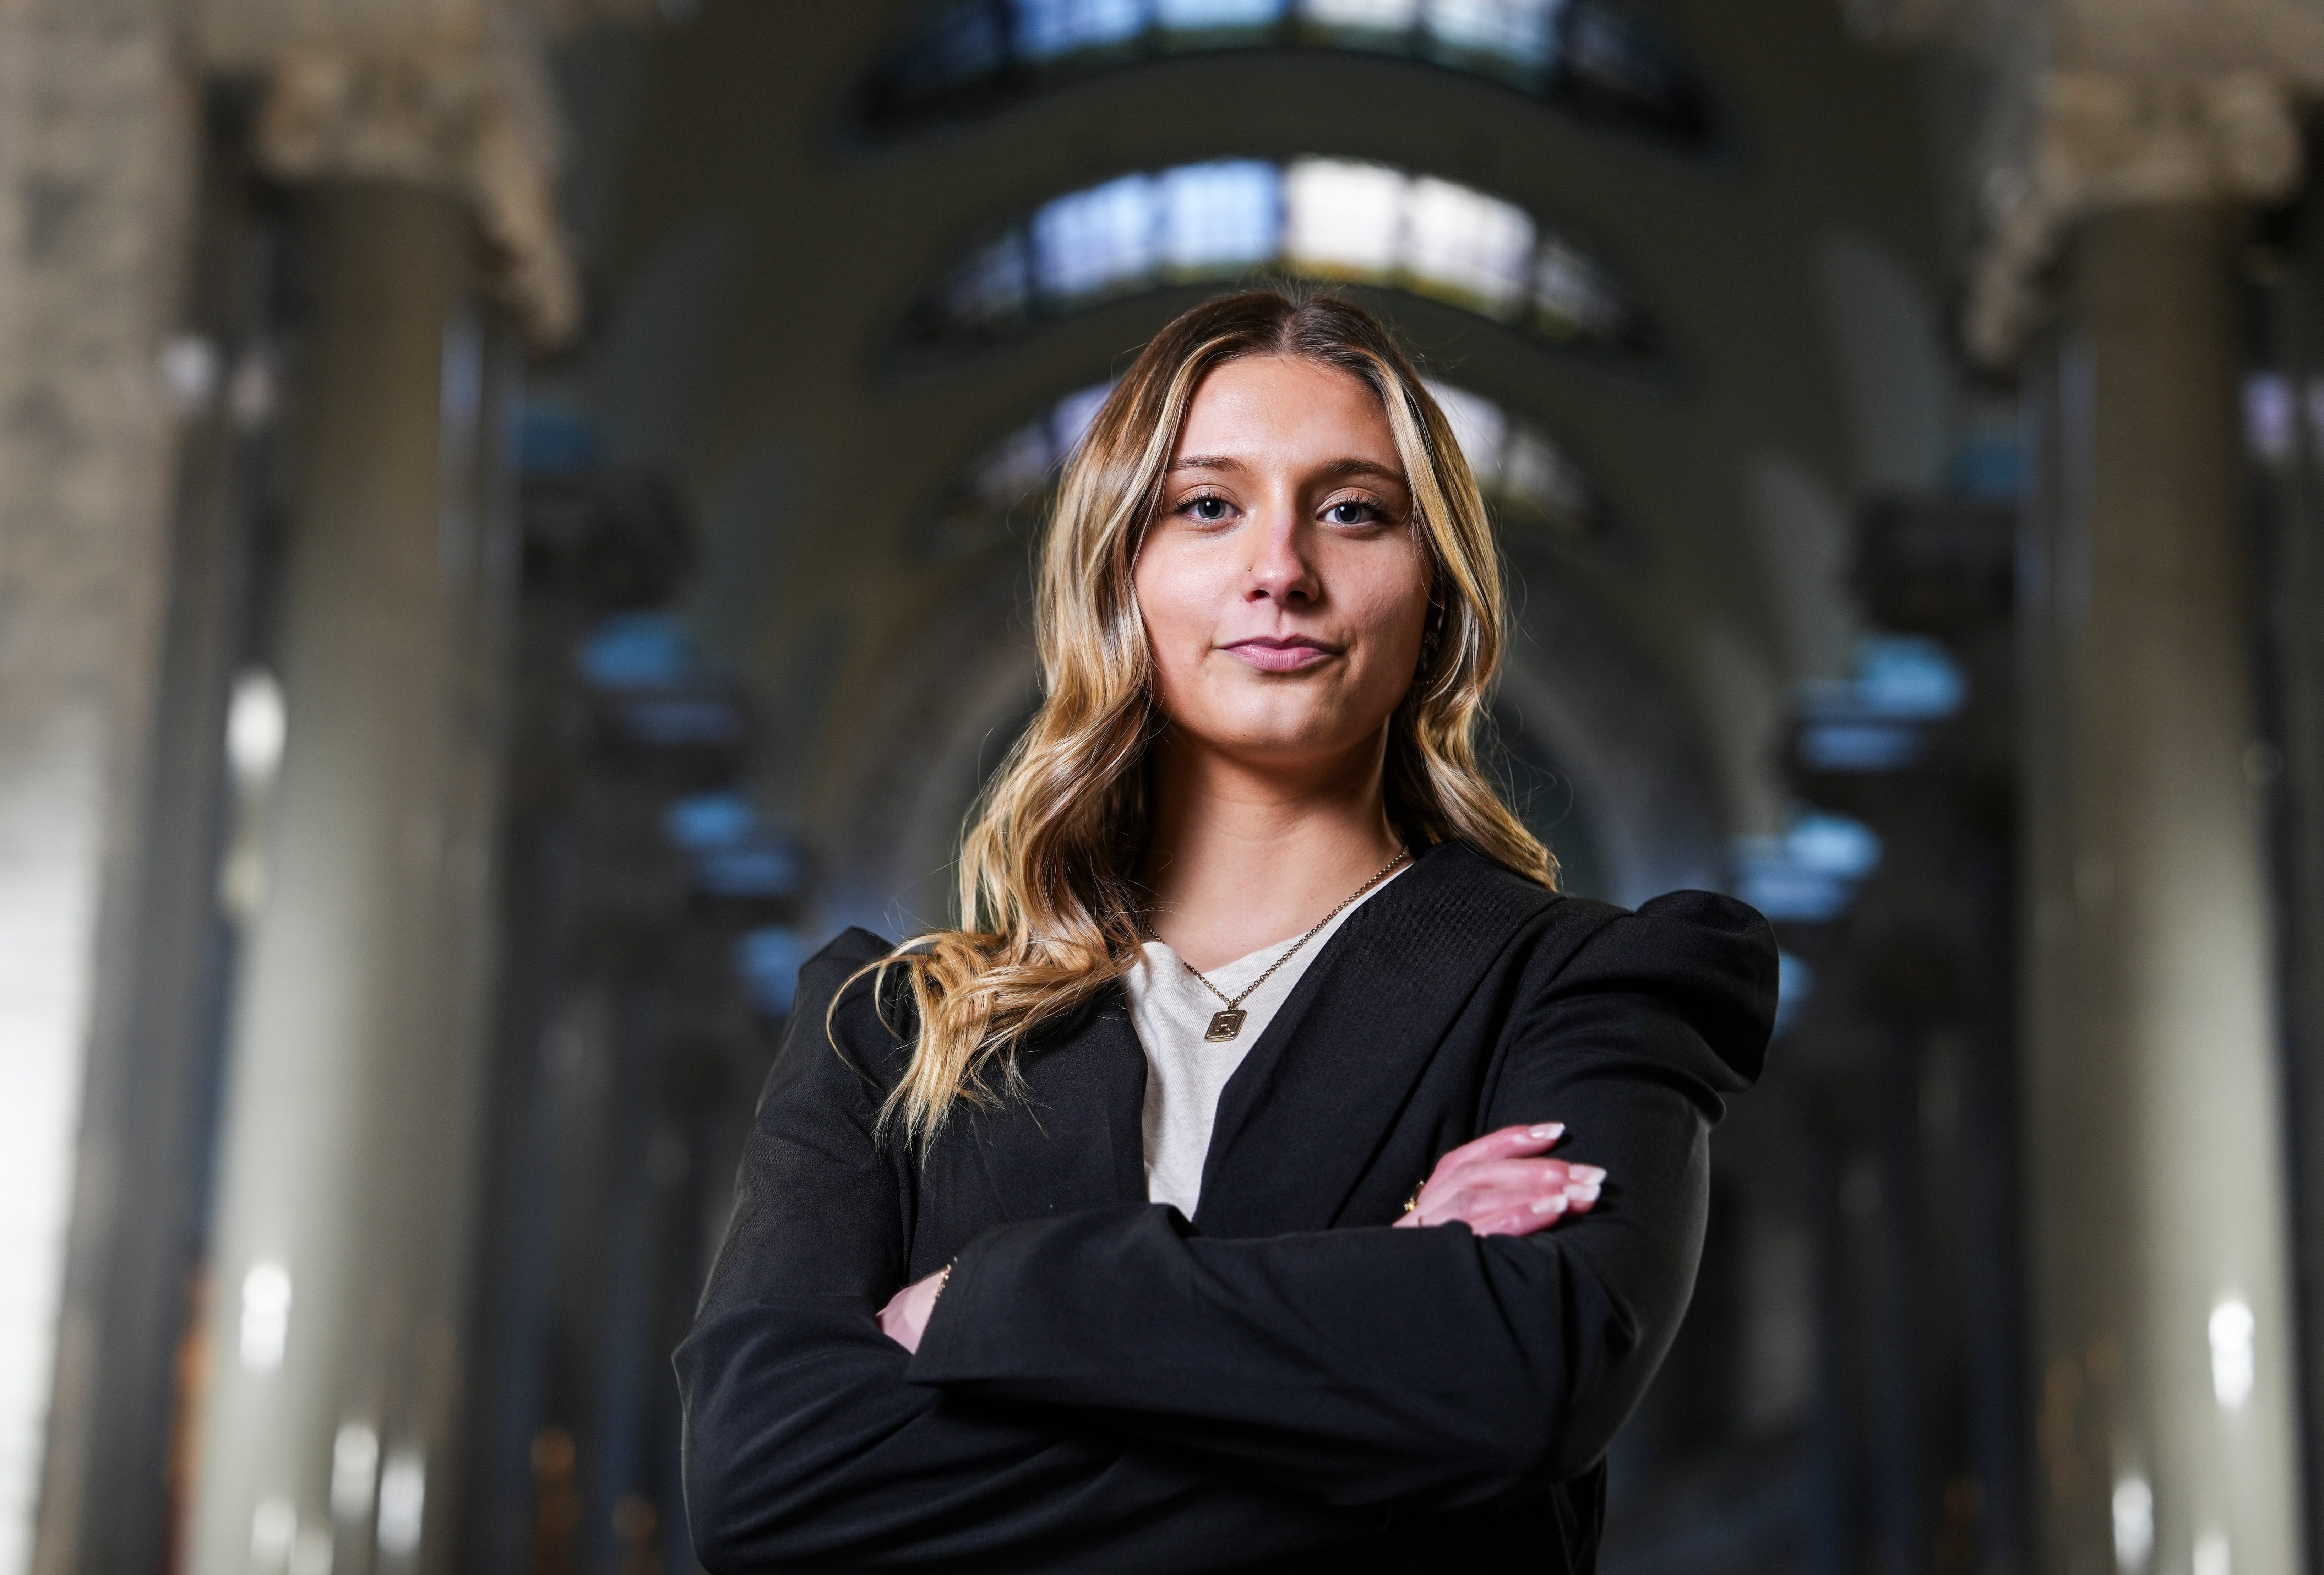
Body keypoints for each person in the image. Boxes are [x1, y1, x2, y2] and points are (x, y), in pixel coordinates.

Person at [676, 289, 1775, 1573]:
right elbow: (765, 1483)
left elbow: (1523, 1381)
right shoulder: (888, 1030)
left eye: (1353, 510)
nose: (1280, 570)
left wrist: (994, 1301)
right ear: (1117, 573)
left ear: (1435, 593)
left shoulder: (1590, 990)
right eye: (1206, 506)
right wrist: (1380, 1307)